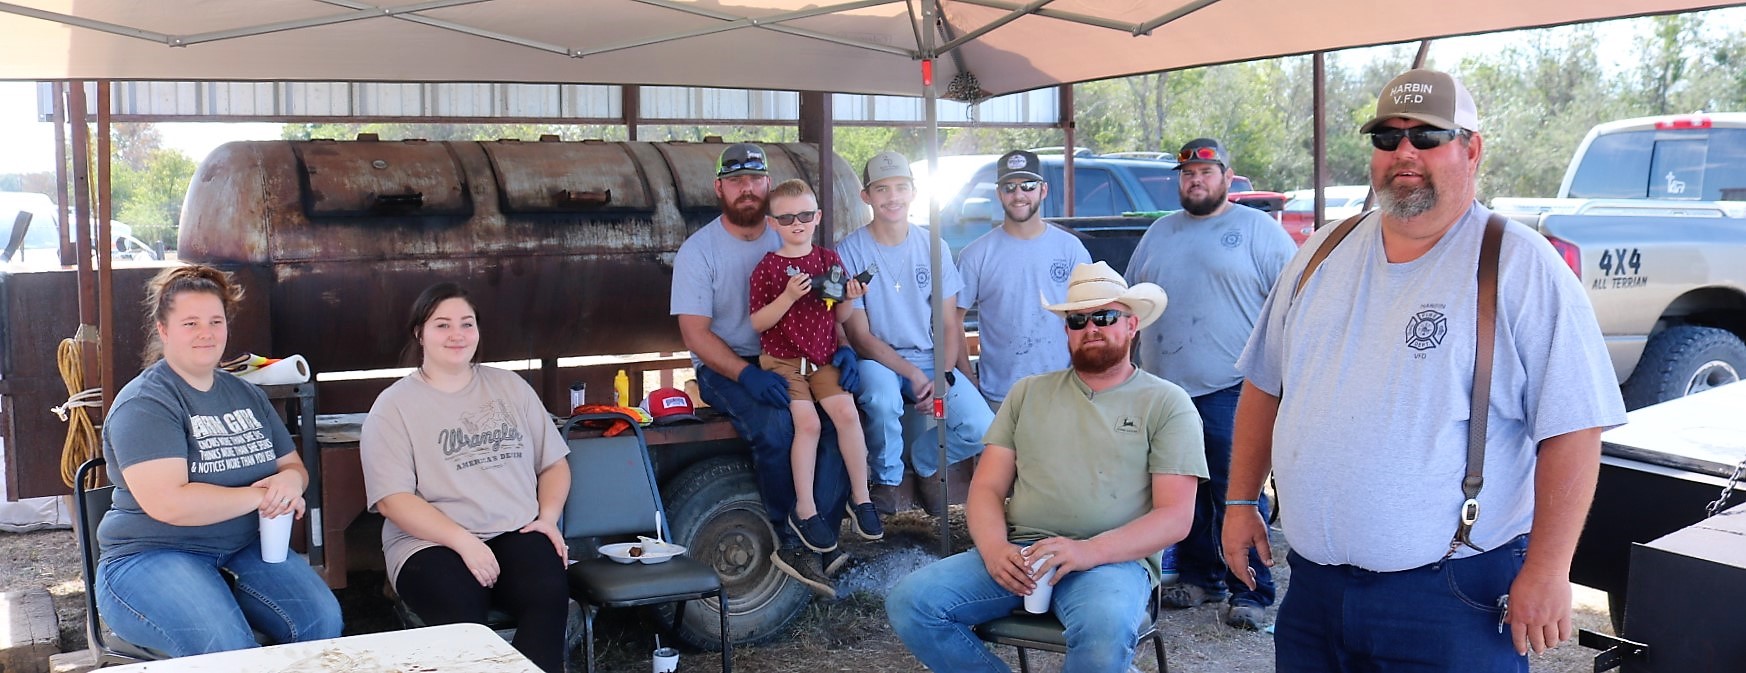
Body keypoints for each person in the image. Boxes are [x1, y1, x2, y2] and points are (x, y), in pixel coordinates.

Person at [1222, 68, 1628, 671]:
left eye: (1427, 135)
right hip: (1313, 592)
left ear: (1472, 148)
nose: (1403, 152)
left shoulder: (1519, 266)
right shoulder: (1320, 253)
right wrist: (1238, 502)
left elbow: (1572, 430)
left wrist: (1547, 568)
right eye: (1387, 137)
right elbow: (1264, 385)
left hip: (1453, 597)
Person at [887, 262, 1207, 672]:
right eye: (1077, 319)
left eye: (1105, 316)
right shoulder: (1028, 393)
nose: (1091, 327)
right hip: (1024, 552)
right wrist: (995, 548)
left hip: (1112, 561)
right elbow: (985, 489)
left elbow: (1175, 517)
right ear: (1066, 329)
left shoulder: (1167, 402)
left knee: (1102, 629)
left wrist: (1088, 551)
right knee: (912, 603)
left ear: (1132, 325)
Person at [95, 265, 342, 657]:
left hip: (244, 545)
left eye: (215, 320)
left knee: (323, 622)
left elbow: (293, 466)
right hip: (151, 554)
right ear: (163, 330)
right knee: (227, 648)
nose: (206, 332)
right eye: (190, 323)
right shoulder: (147, 402)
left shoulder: (245, 393)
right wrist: (261, 496)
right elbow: (169, 503)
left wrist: (288, 485)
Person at [672, 143, 859, 597]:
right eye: (736, 181)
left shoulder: (792, 236)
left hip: (799, 357)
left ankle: (822, 535)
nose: (747, 189)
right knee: (777, 427)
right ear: (719, 188)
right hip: (730, 362)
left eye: (755, 179)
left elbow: (828, 305)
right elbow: (695, 334)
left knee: (841, 422)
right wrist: (746, 375)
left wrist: (844, 346)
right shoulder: (699, 252)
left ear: (768, 186)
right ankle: (788, 537)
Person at [1124, 137, 1294, 630]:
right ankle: (1201, 577)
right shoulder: (1159, 232)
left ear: (1226, 174)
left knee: (1236, 491)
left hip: (1233, 389)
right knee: (1184, 490)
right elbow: (1133, 307)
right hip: (1165, 390)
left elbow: (1294, 304)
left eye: (1205, 171)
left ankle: (1253, 593)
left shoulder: (1258, 232)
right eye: (1186, 173)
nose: (1195, 179)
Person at [360, 282, 572, 673]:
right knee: (462, 608)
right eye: (442, 325)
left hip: (513, 528)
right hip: (427, 542)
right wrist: (464, 543)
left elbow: (554, 464)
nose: (456, 335)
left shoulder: (509, 387)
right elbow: (393, 500)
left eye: (466, 323)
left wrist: (547, 518)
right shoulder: (394, 406)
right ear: (419, 333)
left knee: (548, 590)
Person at [837, 151, 993, 516]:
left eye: (900, 187)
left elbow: (948, 321)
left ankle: (924, 461)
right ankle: (888, 481)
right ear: (866, 196)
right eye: (882, 189)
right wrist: (913, 374)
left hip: (927, 355)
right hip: (878, 357)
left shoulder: (932, 245)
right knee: (881, 398)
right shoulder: (851, 250)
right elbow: (860, 336)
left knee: (983, 428)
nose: (892, 197)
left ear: (914, 191)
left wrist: (941, 375)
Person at [749, 178, 880, 551]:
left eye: (805, 215)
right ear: (773, 223)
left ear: (817, 217)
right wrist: (789, 296)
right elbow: (757, 322)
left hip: (822, 358)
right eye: (787, 217)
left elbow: (839, 315)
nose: (797, 223)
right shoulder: (768, 269)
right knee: (806, 425)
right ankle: (804, 510)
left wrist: (852, 297)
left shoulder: (828, 260)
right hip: (782, 361)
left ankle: (861, 497)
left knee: (847, 413)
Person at [956, 149, 1092, 407]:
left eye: (1028, 186)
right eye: (1009, 187)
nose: (1018, 195)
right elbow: (952, 321)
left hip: (1063, 391)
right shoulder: (975, 255)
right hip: (998, 396)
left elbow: (1090, 312)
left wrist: (1085, 374)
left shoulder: (1070, 249)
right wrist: (968, 379)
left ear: (1043, 190)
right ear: (999, 193)